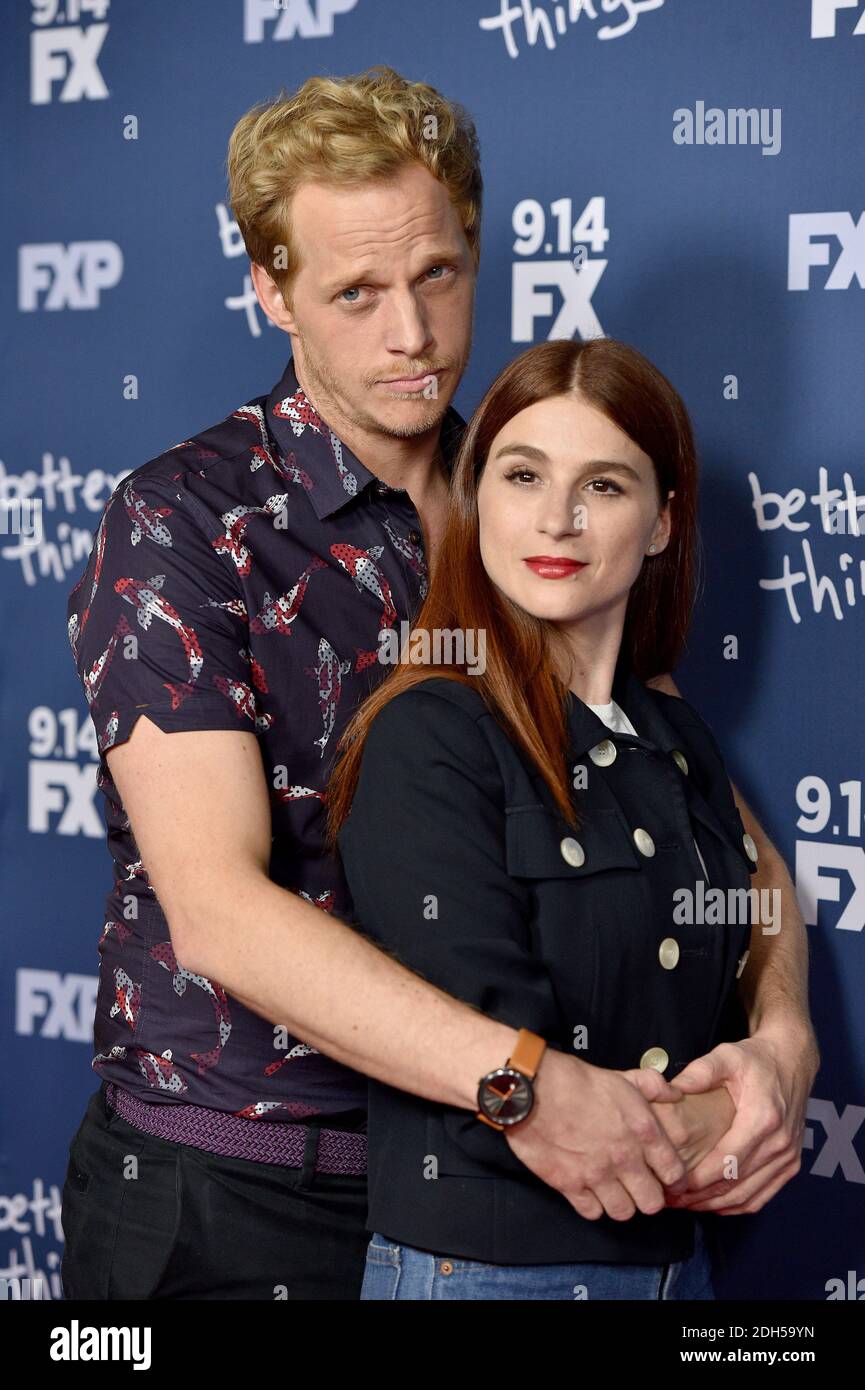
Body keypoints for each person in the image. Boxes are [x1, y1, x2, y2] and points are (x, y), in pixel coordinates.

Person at [61, 67, 818, 1301]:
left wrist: (782, 1039)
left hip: (494, 1202)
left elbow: (706, 820)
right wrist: (526, 1084)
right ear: (271, 290)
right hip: (240, 1191)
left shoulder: (534, 495)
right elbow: (218, 908)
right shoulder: (183, 522)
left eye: (437, 275)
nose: (410, 336)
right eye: (354, 293)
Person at [329, 335, 779, 1299]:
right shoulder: (433, 731)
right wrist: (721, 1120)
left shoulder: (676, 736)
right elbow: (489, 1061)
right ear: (476, 497)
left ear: (661, 523)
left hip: (678, 1270)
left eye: (603, 486)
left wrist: (774, 1056)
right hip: (489, 1273)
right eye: (523, 475)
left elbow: (736, 960)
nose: (556, 519)